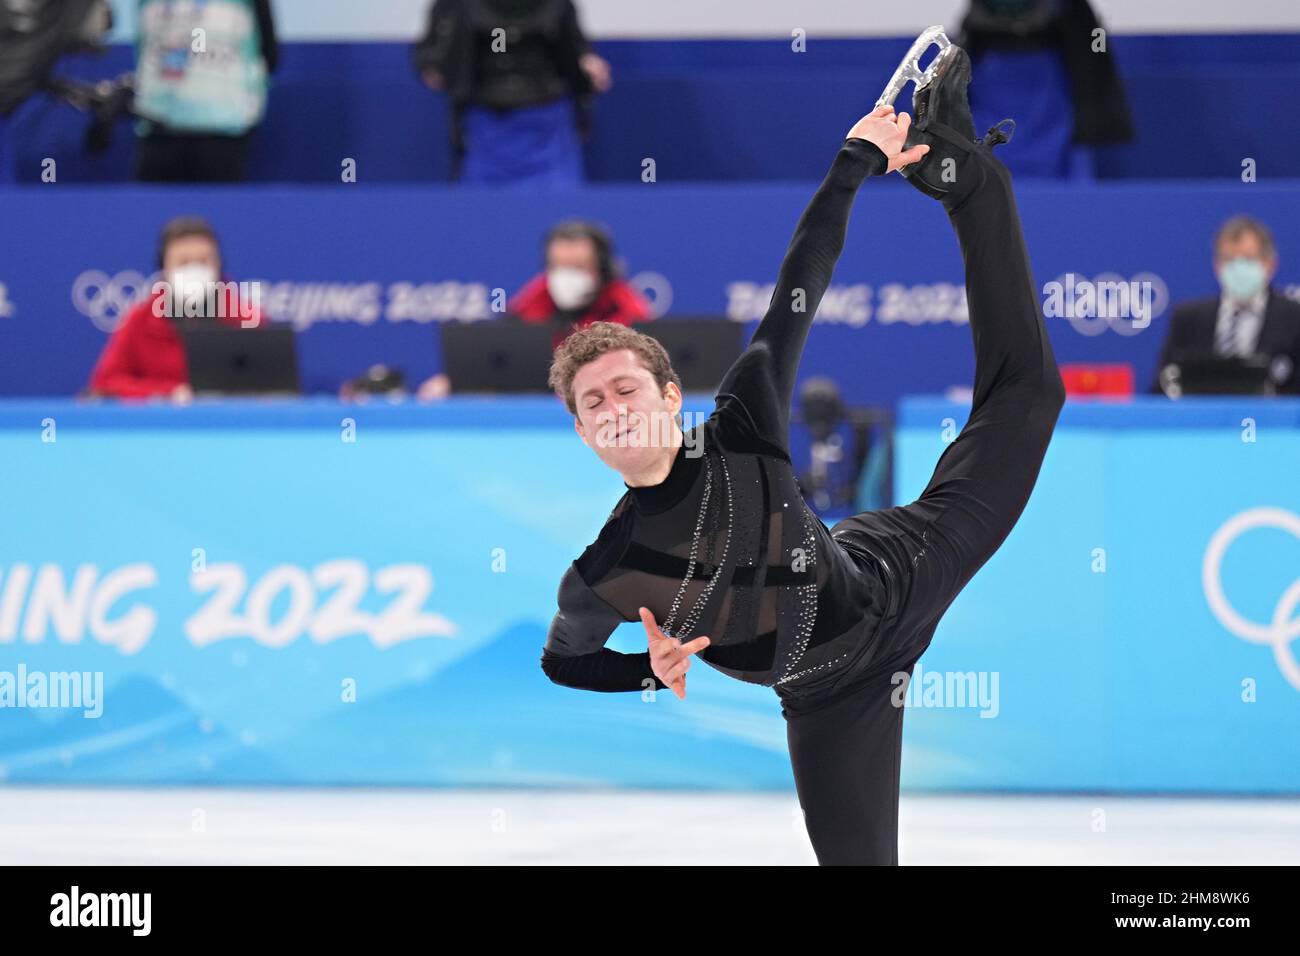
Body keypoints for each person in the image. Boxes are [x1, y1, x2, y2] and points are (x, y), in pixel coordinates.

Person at [537, 40, 1065, 865]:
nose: (614, 410)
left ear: (671, 397)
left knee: (1029, 397)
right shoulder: (604, 571)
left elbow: (803, 274)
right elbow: (564, 663)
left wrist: (856, 159)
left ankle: (966, 182)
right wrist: (649, 670)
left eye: (626, 389)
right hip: (828, 696)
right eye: (593, 403)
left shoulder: (741, 419)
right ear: (580, 431)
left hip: (899, 571)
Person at [417, 219, 650, 399]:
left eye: (578, 267)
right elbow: (500, 354)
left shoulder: (626, 306)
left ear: (602, 268)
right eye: (558, 267)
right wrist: (458, 381)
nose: (566, 277)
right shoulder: (536, 296)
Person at [413, 0, 609, 186]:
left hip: (546, 126)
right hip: (486, 126)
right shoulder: (461, 10)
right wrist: (434, 67)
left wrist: (585, 63)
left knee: (556, 202)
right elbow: (435, 54)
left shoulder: (556, 7)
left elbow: (574, 50)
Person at [86, 216, 265, 401]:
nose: (194, 271)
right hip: (161, 419)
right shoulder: (140, 320)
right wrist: (169, 393)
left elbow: (270, 386)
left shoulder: (246, 320)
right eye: (183, 262)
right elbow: (106, 382)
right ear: (164, 268)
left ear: (219, 265)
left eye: (203, 262)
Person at [1150, 215, 1300, 395]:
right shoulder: (1188, 319)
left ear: (1270, 264)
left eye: (1248, 259)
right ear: (1217, 266)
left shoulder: (1294, 318)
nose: (1239, 268)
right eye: (1229, 259)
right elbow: (1163, 387)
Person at [132, 0, 278, 182]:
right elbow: (142, 50)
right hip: (158, 128)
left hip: (223, 131)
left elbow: (269, 54)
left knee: (216, 198)